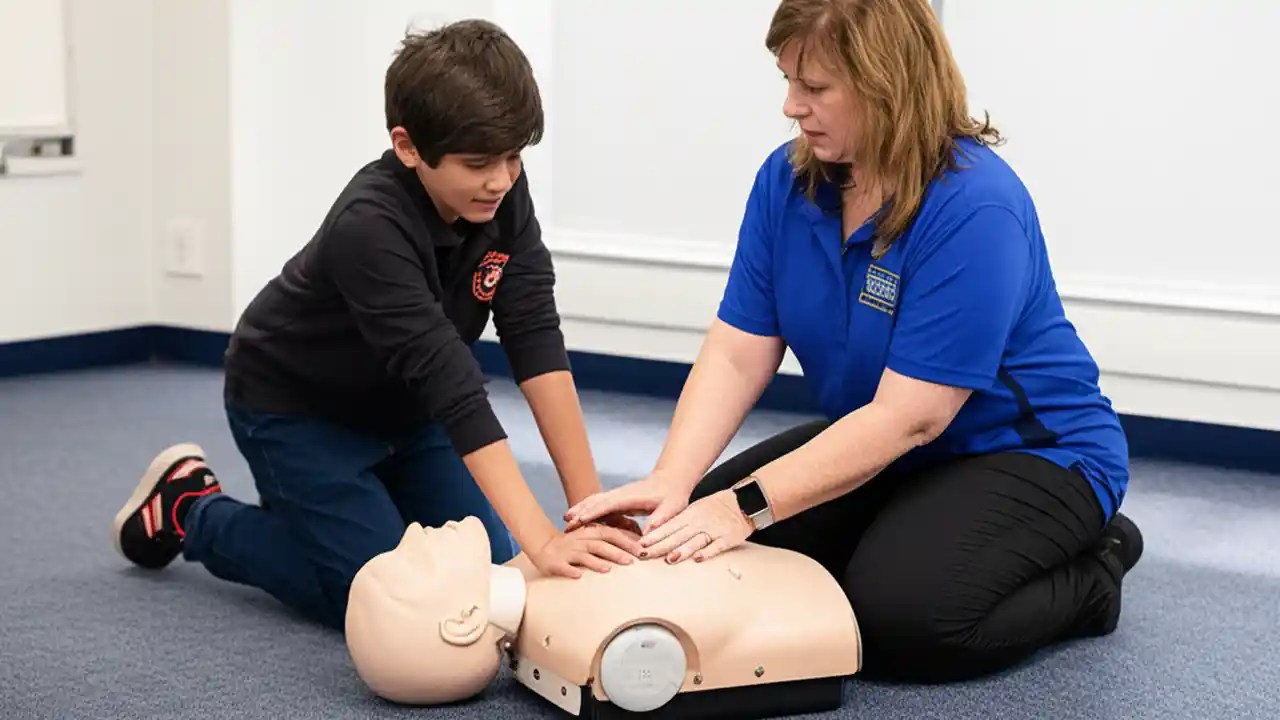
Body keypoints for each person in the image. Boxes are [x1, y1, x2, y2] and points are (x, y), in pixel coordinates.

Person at [564, 0, 1143, 684]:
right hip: (883, 447)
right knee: (689, 547)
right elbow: (737, 351)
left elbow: (913, 416)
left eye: (814, 89)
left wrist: (745, 504)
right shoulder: (787, 181)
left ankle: (1097, 564)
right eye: (786, 81)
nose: (789, 106)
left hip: (1032, 453)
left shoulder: (974, 205)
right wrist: (674, 479)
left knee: (900, 619)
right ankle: (906, 536)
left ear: (885, 84)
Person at [111, 19, 642, 631]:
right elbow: (452, 380)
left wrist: (587, 508)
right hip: (297, 413)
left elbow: (536, 342)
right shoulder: (370, 225)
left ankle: (325, 515)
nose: (501, 179)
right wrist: (543, 544)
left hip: (410, 418)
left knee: (491, 579)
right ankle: (193, 510)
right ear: (408, 146)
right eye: (478, 163)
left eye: (514, 157)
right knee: (385, 604)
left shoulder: (502, 199)